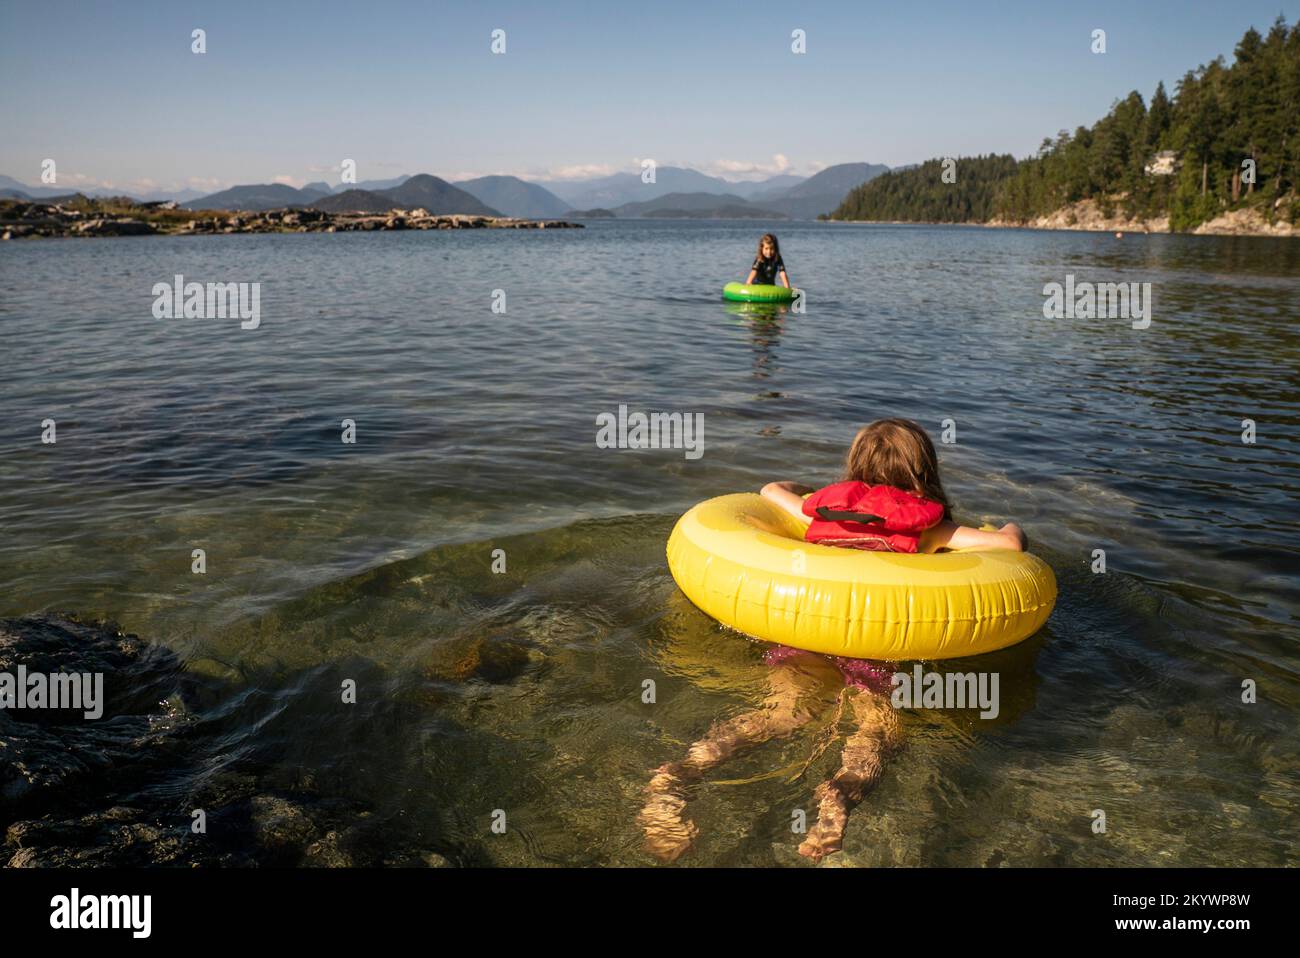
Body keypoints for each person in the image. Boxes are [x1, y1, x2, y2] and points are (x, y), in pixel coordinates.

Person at [639, 419, 1027, 862]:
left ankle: (681, 773)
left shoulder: (823, 510)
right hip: (875, 653)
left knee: (776, 718)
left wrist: (805, 490)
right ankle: (838, 799)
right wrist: (1013, 524)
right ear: (925, 472)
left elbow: (769, 489)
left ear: (855, 465)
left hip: (805, 637)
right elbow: (1008, 548)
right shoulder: (930, 530)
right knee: (877, 733)